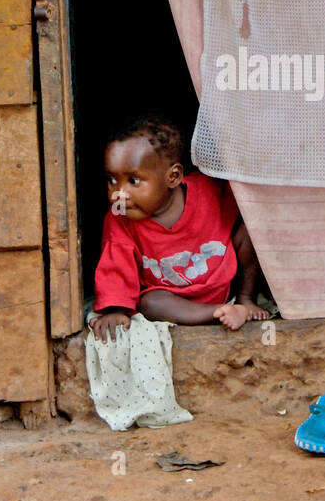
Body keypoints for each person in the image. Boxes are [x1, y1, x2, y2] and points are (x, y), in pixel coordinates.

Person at [89, 115, 270, 342]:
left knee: (250, 230)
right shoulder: (119, 216)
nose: (118, 193)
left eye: (133, 181)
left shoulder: (209, 192)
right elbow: (115, 264)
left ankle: (246, 300)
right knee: (149, 303)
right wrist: (116, 309)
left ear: (173, 177)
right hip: (171, 300)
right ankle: (217, 313)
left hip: (223, 284)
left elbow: (249, 205)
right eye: (111, 180)